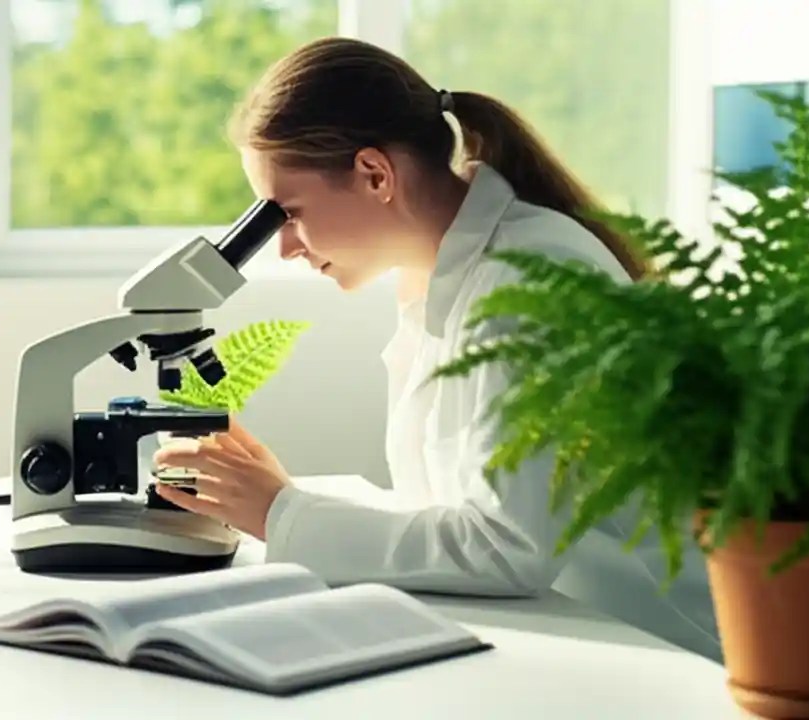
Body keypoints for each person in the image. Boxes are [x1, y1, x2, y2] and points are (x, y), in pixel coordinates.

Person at [151, 36, 722, 663]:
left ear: (375, 174)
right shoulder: (444, 274)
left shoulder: (526, 280)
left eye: (288, 213)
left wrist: (283, 514)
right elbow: (454, 513)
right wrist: (276, 497)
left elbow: (507, 548)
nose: (285, 249)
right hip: (558, 638)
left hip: (655, 656)